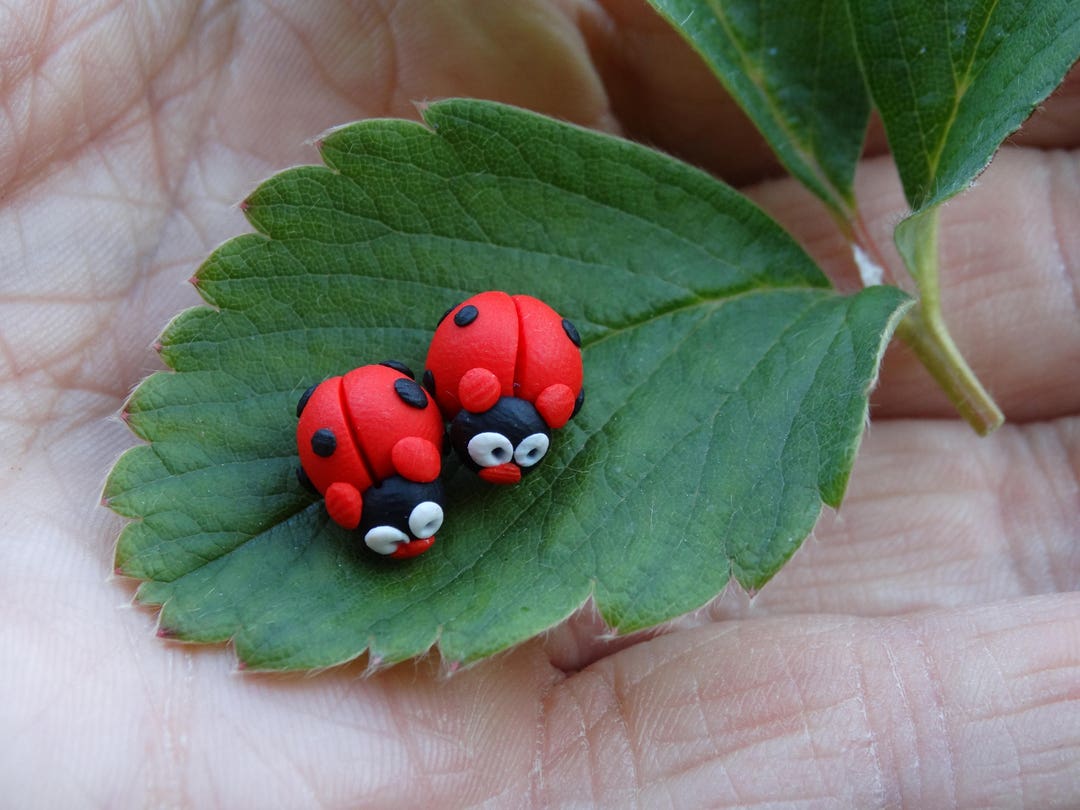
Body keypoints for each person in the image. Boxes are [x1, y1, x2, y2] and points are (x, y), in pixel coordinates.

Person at [1, 2, 1077, 806]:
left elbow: (447, 408)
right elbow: (414, 428)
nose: (488, 474)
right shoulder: (454, 427)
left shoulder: (451, 424)